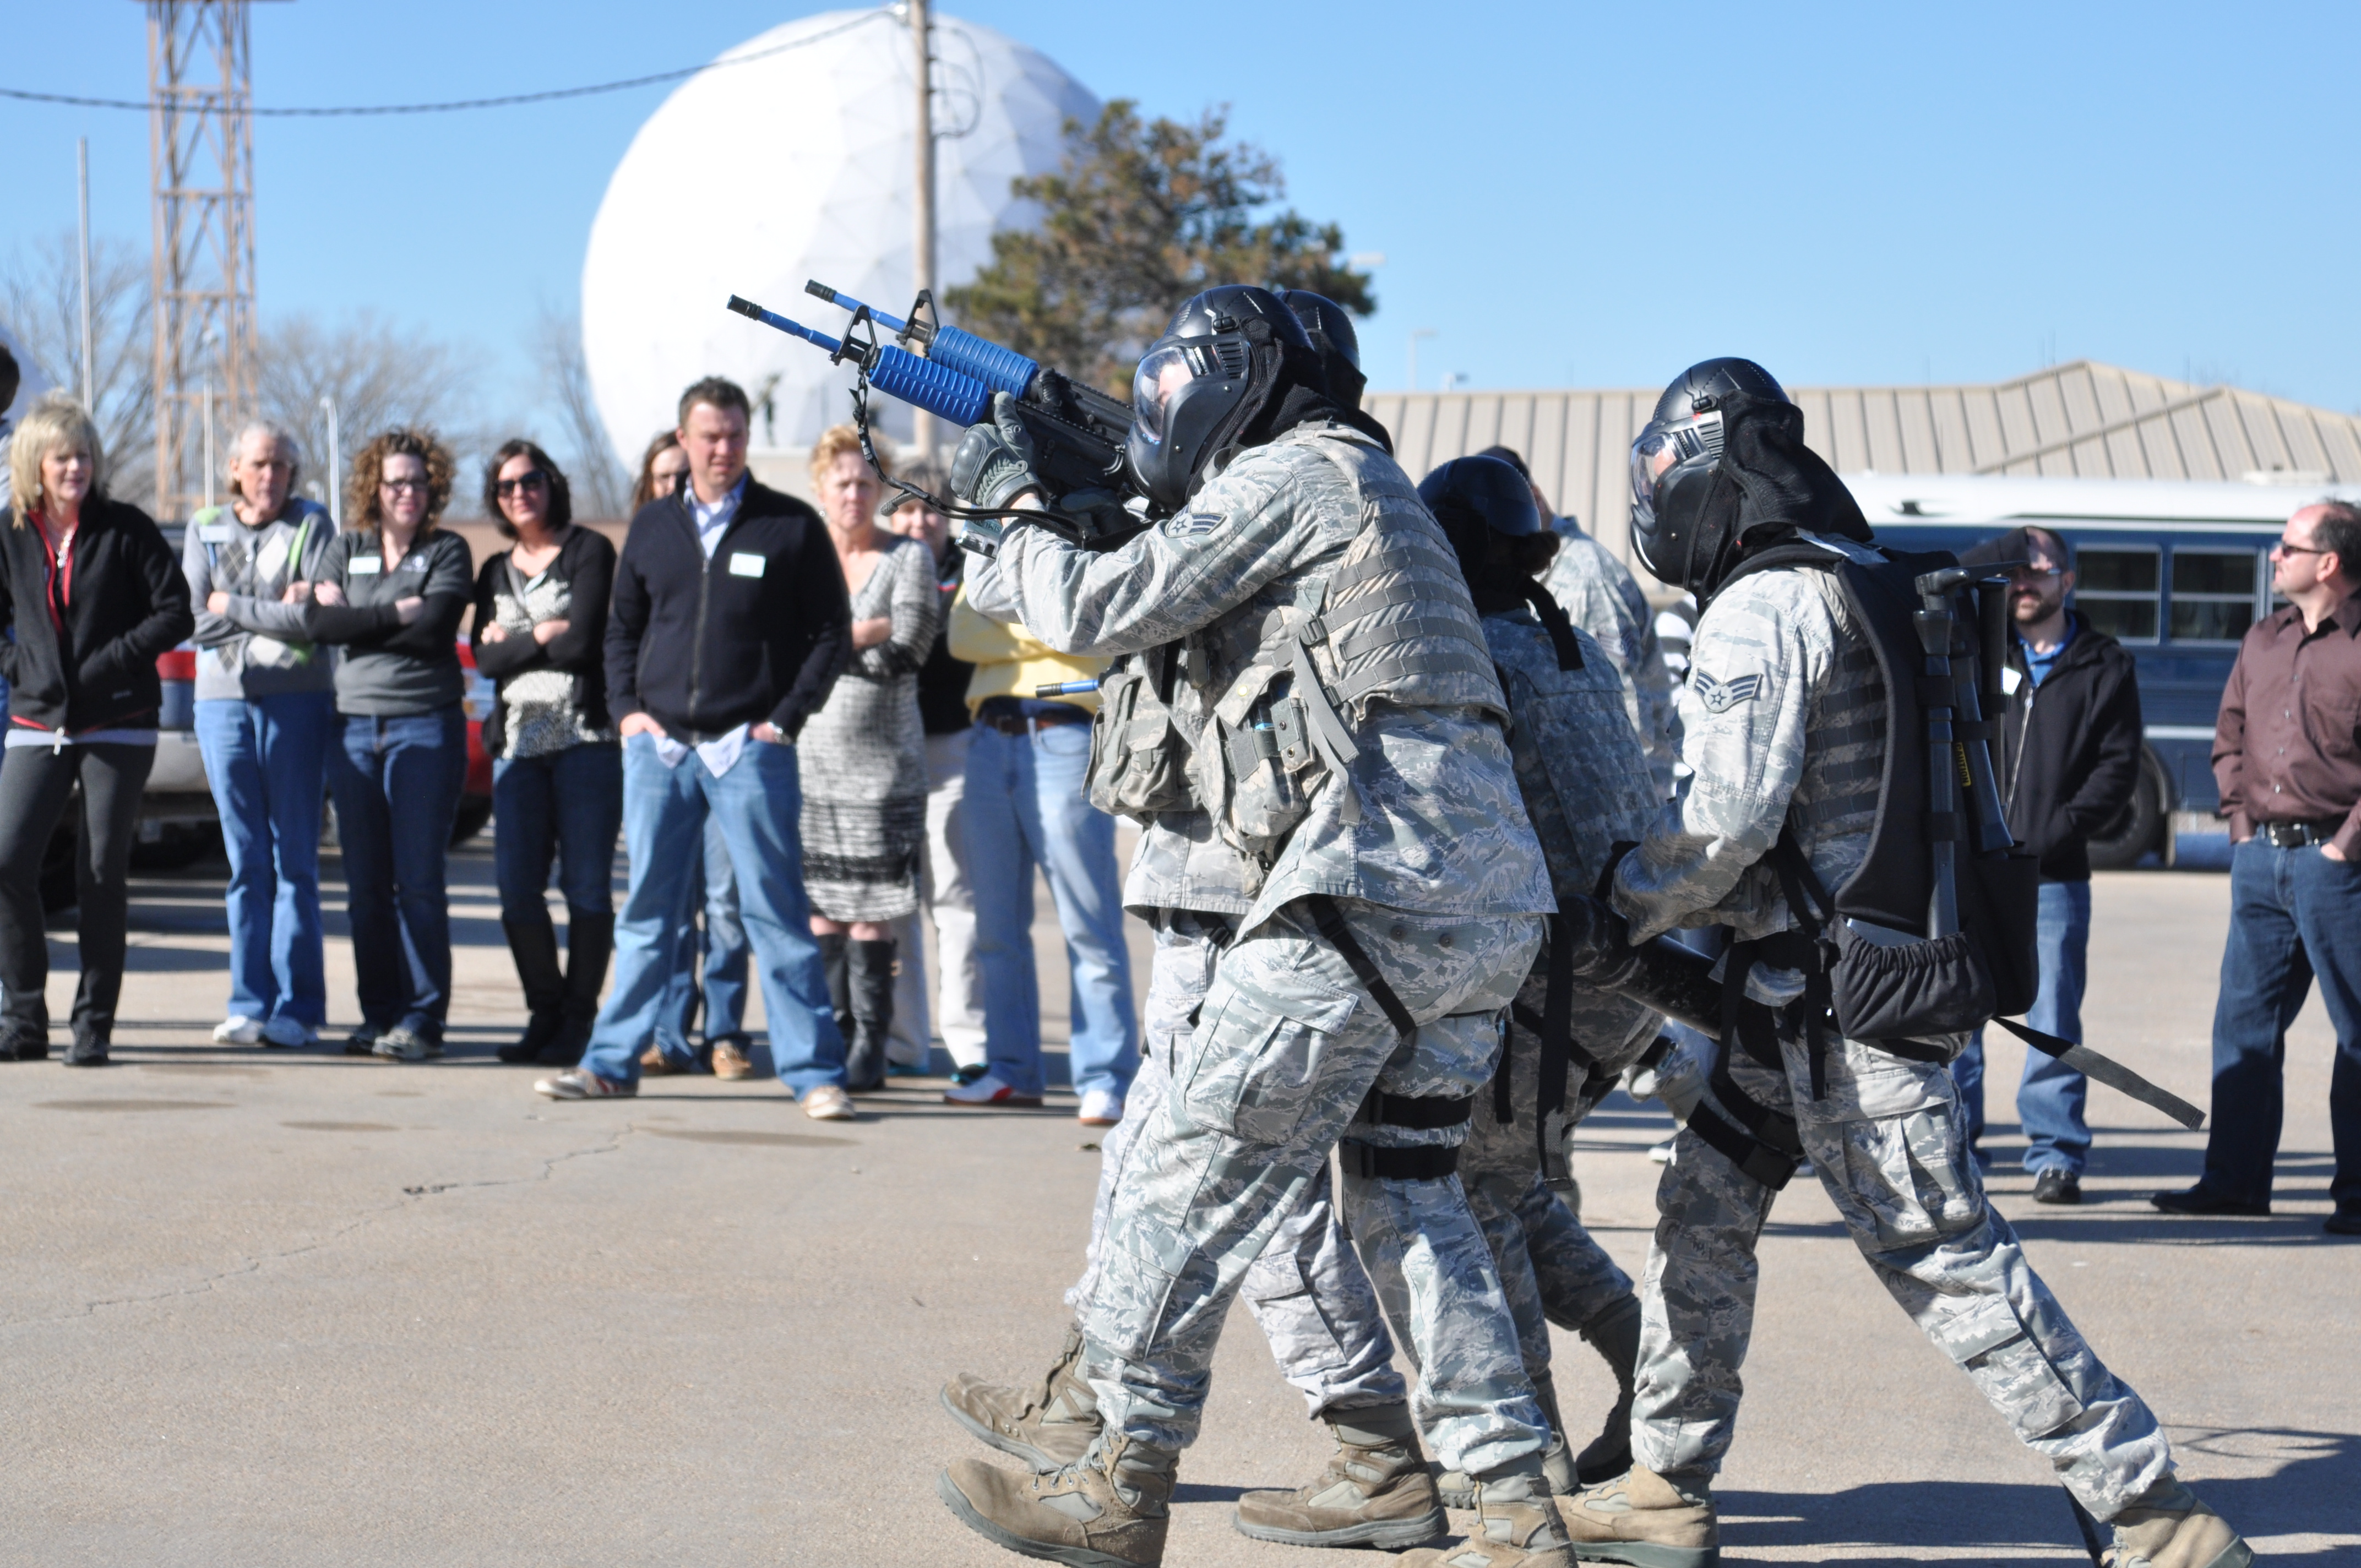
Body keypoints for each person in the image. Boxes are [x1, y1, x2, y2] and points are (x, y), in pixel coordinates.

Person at [1554, 358, 2250, 1568]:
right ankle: (1663, 1484)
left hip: (1840, 1008)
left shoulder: (1765, 603)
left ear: (1711, 476)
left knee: (1944, 1257)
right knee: (1701, 1212)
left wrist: (1618, 897)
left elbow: (1719, 830)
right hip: (1807, 992)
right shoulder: (1861, 574)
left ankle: (2153, 1515)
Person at [936, 286, 1569, 1568]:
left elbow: (1102, 609)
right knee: (1409, 1201)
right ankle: (1511, 1514)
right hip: (1479, 893)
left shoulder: (1300, 470)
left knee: (1182, 1173)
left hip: (1365, 885)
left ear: (1233, 379)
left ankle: (1117, 1481)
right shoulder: (1369, 484)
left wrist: (1007, 520)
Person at [1410, 455, 1664, 1508]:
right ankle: (1640, 1346)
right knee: (1510, 1183)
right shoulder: (1571, 644)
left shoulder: (1474, 658)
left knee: (1472, 1199)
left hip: (1553, 981)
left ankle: (1531, 1450)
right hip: (1626, 973)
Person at [535, 376, 855, 1120]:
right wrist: (627, 716)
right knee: (648, 914)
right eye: (710, 436)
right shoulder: (651, 529)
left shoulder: (790, 526)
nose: (724, 449)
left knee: (774, 913)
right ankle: (611, 1063)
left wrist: (783, 720)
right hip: (663, 751)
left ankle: (814, 1075)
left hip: (750, 750)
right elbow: (622, 631)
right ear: (683, 440)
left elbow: (831, 633)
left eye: (736, 435)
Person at [2158, 498, 2361, 1238]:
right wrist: (2241, 827)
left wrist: (2345, 848)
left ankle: (2357, 1199)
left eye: (2287, 548)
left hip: (2340, 868)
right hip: (2260, 866)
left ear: (2329, 563)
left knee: (2358, 1034)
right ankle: (2235, 1184)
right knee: (2243, 1027)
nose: (2275, 559)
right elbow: (2229, 736)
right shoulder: (2263, 639)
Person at [1947, 525, 2144, 1204]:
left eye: (2039, 571)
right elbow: (1953, 571)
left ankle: (2055, 1153)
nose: (2024, 584)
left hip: (2053, 875)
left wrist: (2055, 830)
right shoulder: (1976, 651)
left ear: (2069, 581)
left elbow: (2118, 770)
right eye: (2015, 573)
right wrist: (2008, 548)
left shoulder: (2104, 664)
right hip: (1971, 869)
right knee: (1956, 1012)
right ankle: (1956, 1142)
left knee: (2052, 1016)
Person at [0, 393, 194, 1065]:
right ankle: (23, 1020)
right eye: (63, 457)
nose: (76, 467)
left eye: (84, 455)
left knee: (100, 870)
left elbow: (176, 613)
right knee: (7, 860)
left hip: (118, 721)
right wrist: (19, 663)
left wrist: (109, 663)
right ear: (35, 463)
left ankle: (94, 1023)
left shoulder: (127, 528)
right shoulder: (11, 532)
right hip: (36, 717)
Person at [300, 427, 475, 1063]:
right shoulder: (345, 546)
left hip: (423, 726)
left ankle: (424, 1019)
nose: (407, 492)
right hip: (350, 728)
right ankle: (379, 1015)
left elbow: (433, 633)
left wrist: (363, 619)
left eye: (418, 483)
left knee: (419, 882)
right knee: (366, 885)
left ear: (434, 490)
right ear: (374, 487)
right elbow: (320, 624)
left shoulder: (448, 551)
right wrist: (394, 613)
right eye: (396, 482)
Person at [943, 582, 1139, 1120]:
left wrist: (1004, 628)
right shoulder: (992, 551)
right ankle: (1011, 1071)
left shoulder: (1082, 534)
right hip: (988, 740)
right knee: (995, 928)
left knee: (1087, 923)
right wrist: (1047, 631)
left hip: (1066, 736)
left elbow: (1096, 640)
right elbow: (961, 638)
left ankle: (1105, 1077)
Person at [183, 420, 338, 1049]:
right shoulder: (206, 525)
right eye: (258, 464)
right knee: (245, 860)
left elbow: (311, 619)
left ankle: (298, 1007)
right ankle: (248, 1002)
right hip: (221, 705)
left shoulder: (312, 524)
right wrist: (272, 613)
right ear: (235, 470)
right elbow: (195, 616)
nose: (269, 476)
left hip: (296, 703)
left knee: (294, 857)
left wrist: (233, 606)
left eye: (279, 465)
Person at [798, 424, 942, 1092]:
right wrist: (864, 630)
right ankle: (832, 1034)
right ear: (821, 488)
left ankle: (870, 1046)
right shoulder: (806, 555)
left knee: (872, 906)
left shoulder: (907, 557)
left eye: (864, 482)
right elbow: (782, 651)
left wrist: (832, 642)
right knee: (821, 905)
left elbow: (909, 648)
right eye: (842, 482)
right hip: (810, 762)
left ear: (879, 489)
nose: (853, 493)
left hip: (884, 765)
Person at [470, 440, 620, 1068]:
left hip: (584, 742)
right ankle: (545, 1012)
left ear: (551, 482)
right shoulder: (493, 570)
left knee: (585, 886)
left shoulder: (590, 551)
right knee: (517, 893)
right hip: (518, 749)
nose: (519, 493)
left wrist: (517, 639)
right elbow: (484, 658)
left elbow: (583, 640)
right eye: (506, 487)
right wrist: (545, 633)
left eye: (530, 480)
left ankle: (579, 1022)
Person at [1480, 444, 1678, 798]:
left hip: (1624, 798)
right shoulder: (1535, 574)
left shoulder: (1586, 577)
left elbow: (1626, 706)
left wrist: (1636, 818)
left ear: (1536, 498)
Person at [882, 461, 987, 1079]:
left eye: (930, 508)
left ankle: (969, 1044)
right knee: (895, 906)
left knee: (954, 901)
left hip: (952, 752)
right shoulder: (878, 570)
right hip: (887, 758)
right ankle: (903, 1041)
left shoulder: (969, 575)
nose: (918, 519)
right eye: (905, 507)